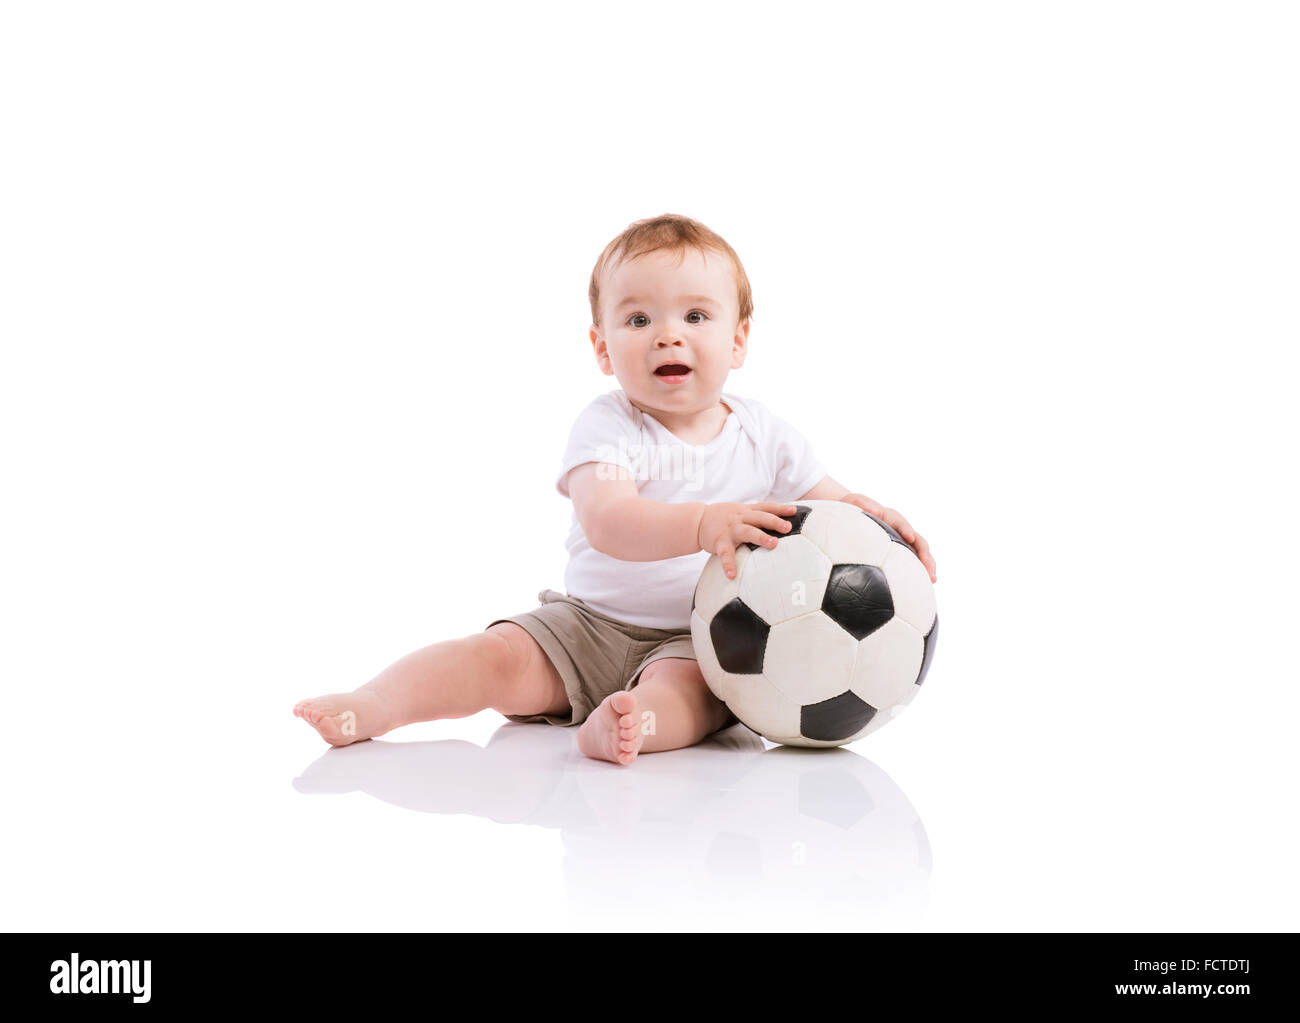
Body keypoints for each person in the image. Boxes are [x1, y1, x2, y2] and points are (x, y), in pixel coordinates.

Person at [294, 213, 936, 765]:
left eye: (695, 315)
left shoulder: (765, 435)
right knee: (494, 657)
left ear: (738, 339)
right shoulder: (608, 426)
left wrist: (876, 519)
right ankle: (376, 702)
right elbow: (609, 520)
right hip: (586, 625)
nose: (667, 334)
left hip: (708, 641)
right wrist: (702, 523)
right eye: (638, 318)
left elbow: (829, 505)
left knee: (690, 699)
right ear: (602, 348)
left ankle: (629, 724)